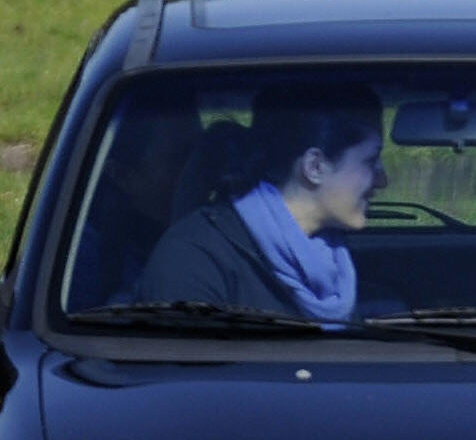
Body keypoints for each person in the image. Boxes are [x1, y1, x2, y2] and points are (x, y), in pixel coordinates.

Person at [132, 81, 384, 323]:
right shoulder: (192, 259)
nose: (383, 180)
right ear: (315, 167)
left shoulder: (330, 257)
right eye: (371, 162)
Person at [63, 95, 203, 311]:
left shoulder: (240, 229)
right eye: (181, 158)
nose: (199, 170)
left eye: (202, 152)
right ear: (122, 176)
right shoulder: (80, 261)